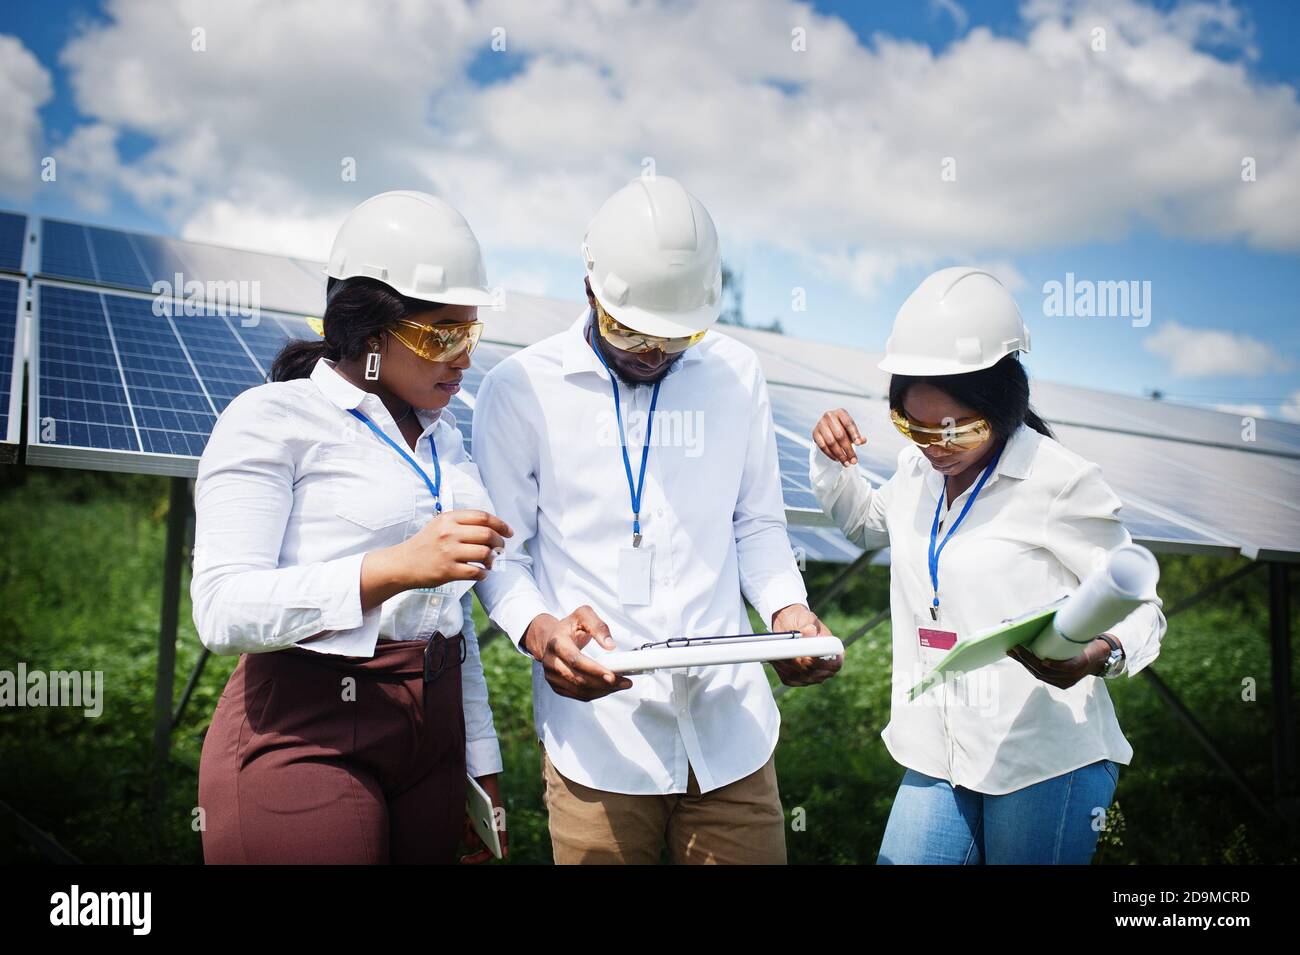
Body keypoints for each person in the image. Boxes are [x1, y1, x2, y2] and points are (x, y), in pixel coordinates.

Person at [472, 176, 840, 865]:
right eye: (629, 330)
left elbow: (756, 523)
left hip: (730, 733)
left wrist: (788, 613)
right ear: (590, 290)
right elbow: (505, 555)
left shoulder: (736, 374)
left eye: (675, 337)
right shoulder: (520, 390)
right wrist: (539, 631)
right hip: (600, 746)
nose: (651, 352)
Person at [193, 190, 512, 864]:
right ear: (371, 330)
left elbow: (450, 618)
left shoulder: (444, 439)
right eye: (442, 335)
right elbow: (221, 612)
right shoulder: (272, 419)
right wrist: (392, 568)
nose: (463, 357)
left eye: (470, 332)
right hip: (310, 725)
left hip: (435, 729)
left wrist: (478, 762)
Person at [810, 266, 1166, 865]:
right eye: (912, 425)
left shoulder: (1058, 481)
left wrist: (1095, 655)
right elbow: (866, 522)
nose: (933, 444)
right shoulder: (917, 473)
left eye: (953, 429)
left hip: (1045, 757)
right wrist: (830, 459)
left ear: (1000, 406)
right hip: (937, 752)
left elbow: (1143, 606)